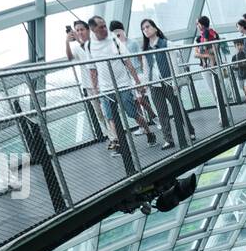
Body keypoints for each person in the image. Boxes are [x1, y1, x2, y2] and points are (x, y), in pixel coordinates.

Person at [85, 15, 156, 156]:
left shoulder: (113, 39)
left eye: (105, 25)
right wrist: (95, 90)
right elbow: (92, 69)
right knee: (111, 117)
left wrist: (137, 81)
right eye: (101, 27)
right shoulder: (89, 46)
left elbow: (128, 61)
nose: (105, 29)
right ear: (93, 29)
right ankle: (120, 145)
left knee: (132, 113)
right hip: (106, 89)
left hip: (123, 84)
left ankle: (149, 132)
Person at [140, 18, 196, 149]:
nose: (146, 30)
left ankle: (190, 131)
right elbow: (146, 68)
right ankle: (168, 139)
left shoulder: (167, 44)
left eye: (148, 27)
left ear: (155, 28)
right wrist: (147, 84)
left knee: (177, 107)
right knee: (161, 112)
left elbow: (174, 65)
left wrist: (174, 82)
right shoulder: (145, 49)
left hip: (168, 82)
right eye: (143, 29)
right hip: (154, 85)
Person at [65, 19, 106, 139]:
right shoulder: (77, 48)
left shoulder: (95, 43)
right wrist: (67, 42)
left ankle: (116, 136)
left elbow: (89, 51)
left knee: (107, 112)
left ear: (88, 30)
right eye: (77, 30)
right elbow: (70, 58)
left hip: (101, 83)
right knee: (99, 114)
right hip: (88, 85)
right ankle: (112, 137)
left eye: (81, 29)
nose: (79, 32)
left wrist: (78, 40)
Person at [194, 15, 221, 101]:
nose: (197, 26)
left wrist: (204, 51)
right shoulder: (198, 38)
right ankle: (220, 109)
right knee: (212, 91)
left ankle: (223, 110)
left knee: (218, 90)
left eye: (197, 23)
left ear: (201, 24)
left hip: (215, 64)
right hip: (204, 66)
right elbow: (195, 54)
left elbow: (215, 49)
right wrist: (208, 55)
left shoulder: (209, 33)